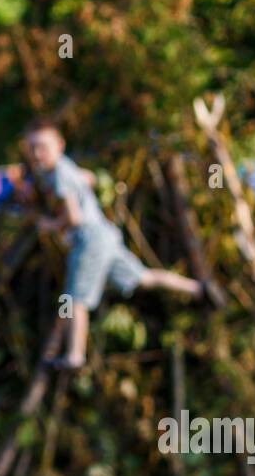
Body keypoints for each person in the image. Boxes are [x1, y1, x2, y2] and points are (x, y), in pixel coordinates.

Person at [18, 119, 201, 369]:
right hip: (106, 235)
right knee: (143, 278)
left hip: (89, 240)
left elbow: (74, 218)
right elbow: (90, 177)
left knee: (73, 300)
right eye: (33, 148)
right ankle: (196, 288)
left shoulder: (58, 174)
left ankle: (74, 355)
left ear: (59, 145)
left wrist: (48, 225)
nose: (38, 154)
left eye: (43, 147)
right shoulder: (65, 167)